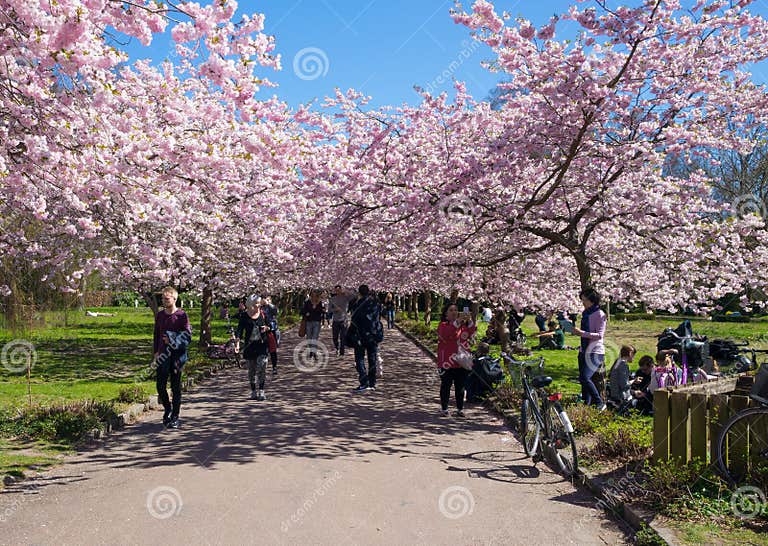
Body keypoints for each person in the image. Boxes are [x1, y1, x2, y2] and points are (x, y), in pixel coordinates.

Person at [153, 286, 192, 428]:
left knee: (176, 387)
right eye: (162, 298)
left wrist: (173, 340)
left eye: (166, 298)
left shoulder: (182, 316)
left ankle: (175, 416)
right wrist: (156, 351)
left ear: (174, 299)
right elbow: (156, 334)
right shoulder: (160, 315)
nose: (164, 300)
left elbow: (188, 336)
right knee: (160, 386)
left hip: (177, 357)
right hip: (163, 355)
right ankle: (167, 409)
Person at [437, 303, 477, 417]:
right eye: (451, 310)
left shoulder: (462, 326)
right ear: (446, 314)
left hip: (461, 362)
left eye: (456, 310)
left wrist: (469, 321)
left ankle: (460, 409)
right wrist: (457, 322)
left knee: (460, 386)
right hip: (446, 362)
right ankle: (444, 408)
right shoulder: (443, 325)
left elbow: (472, 333)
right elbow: (446, 334)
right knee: (446, 385)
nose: (454, 312)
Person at [571, 288, 607, 410]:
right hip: (583, 350)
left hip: (595, 351)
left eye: (584, 300)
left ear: (591, 300)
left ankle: (599, 402)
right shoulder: (585, 313)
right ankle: (586, 404)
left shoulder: (600, 314)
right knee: (583, 380)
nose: (582, 302)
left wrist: (582, 333)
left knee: (585, 377)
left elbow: (599, 335)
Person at [348, 284, 384, 393]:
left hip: (360, 335)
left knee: (359, 358)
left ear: (359, 293)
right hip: (373, 335)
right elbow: (379, 317)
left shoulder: (358, 304)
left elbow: (354, 319)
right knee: (372, 358)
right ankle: (372, 383)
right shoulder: (376, 303)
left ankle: (364, 382)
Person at [237, 296, 271, 400]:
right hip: (249, 346)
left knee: (262, 366)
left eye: (259, 303)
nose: (259, 305)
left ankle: (261, 391)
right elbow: (239, 331)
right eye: (256, 303)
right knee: (251, 370)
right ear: (250, 304)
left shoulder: (263, 314)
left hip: (261, 345)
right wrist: (237, 345)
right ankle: (253, 391)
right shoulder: (244, 316)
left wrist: (266, 328)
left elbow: (271, 326)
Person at [329, 285, 355, 356]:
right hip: (335, 320)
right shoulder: (332, 299)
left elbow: (354, 295)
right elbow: (329, 310)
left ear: (341, 290)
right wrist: (335, 310)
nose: (338, 291)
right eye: (336, 290)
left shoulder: (346, 298)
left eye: (339, 289)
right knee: (335, 337)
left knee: (343, 337)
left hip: (344, 320)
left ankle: (342, 352)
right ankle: (337, 347)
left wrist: (346, 291)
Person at [301, 290, 325, 360]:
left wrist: (318, 308)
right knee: (309, 338)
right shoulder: (307, 302)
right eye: (312, 295)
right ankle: (311, 351)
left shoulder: (319, 303)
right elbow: (303, 310)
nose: (314, 297)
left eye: (315, 295)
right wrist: (306, 313)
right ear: (311, 296)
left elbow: (321, 311)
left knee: (314, 337)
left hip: (317, 322)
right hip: (308, 322)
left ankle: (313, 352)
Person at [262, 295, 280, 375]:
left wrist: (269, 304)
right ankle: (262, 366)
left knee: (273, 350)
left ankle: (274, 367)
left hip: (272, 330)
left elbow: (276, 312)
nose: (265, 301)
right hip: (262, 330)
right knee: (263, 350)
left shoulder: (271, 307)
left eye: (268, 300)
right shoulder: (260, 307)